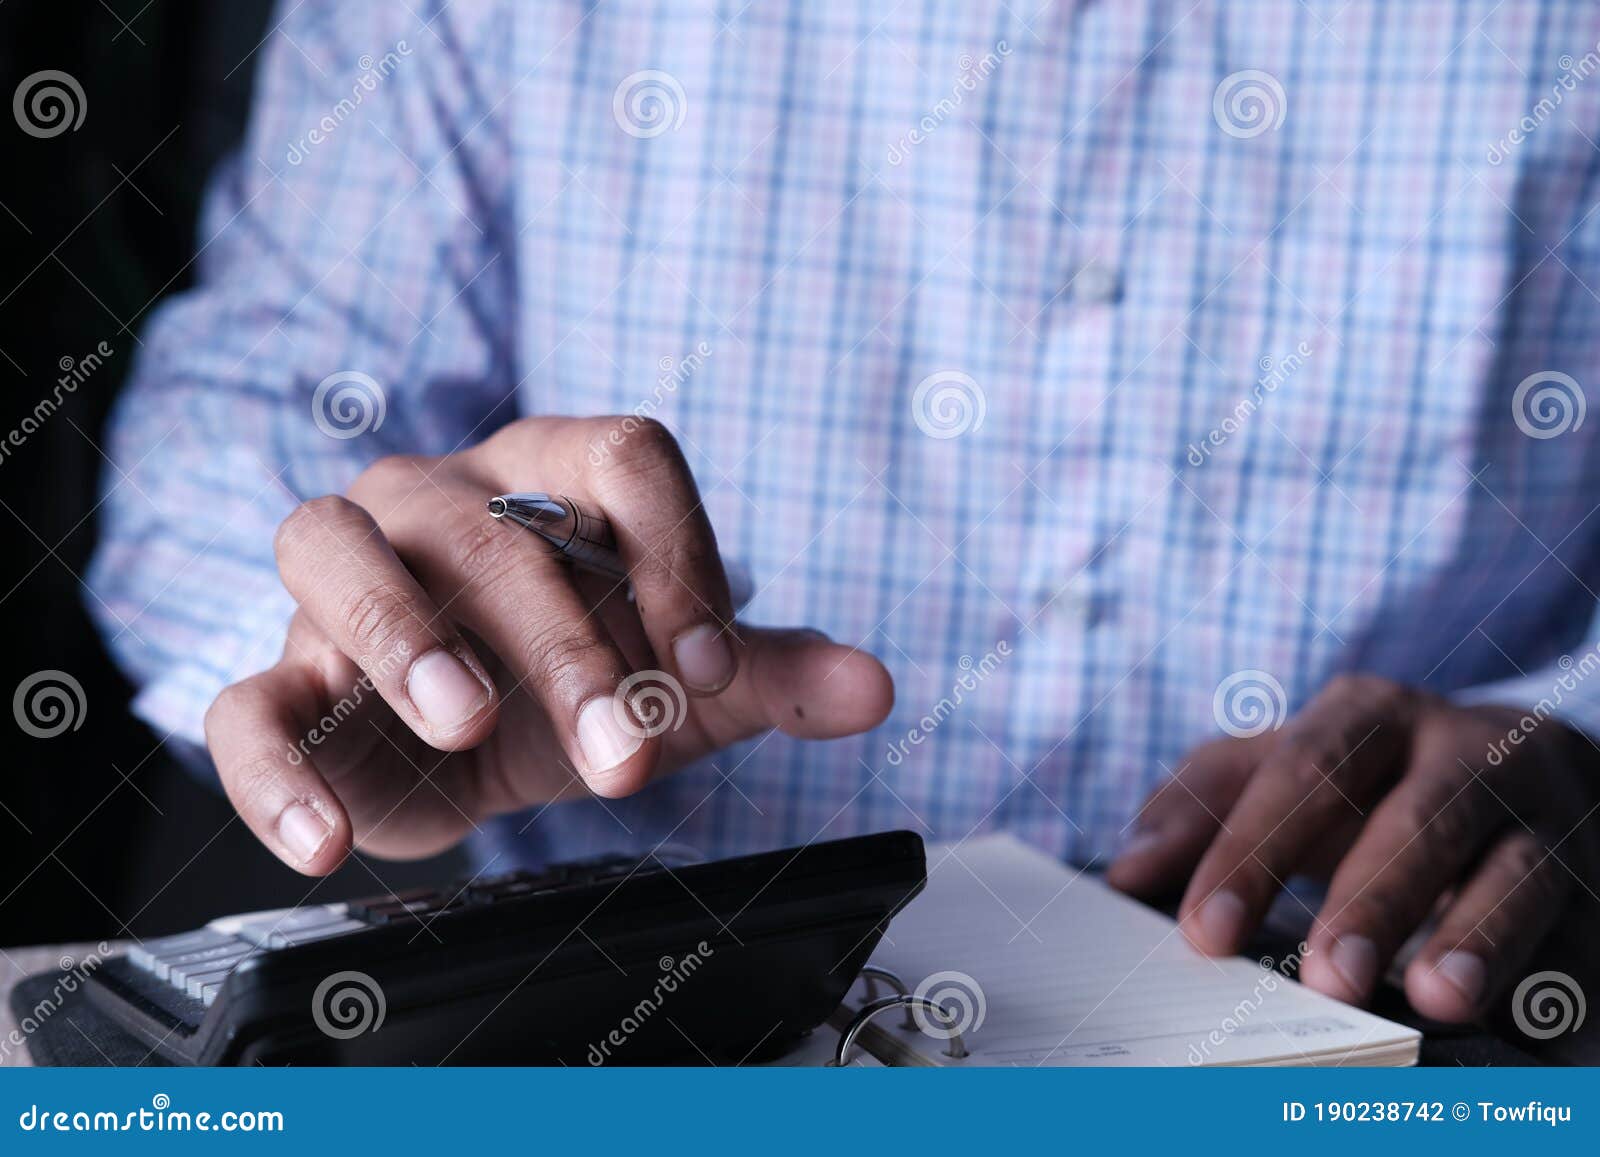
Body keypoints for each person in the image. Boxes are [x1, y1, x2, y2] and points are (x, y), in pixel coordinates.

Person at [88, 1, 1600, 1028]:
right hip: (657, 1045)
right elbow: (238, 417)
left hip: (1412, 1041)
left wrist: (1568, 734)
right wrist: (377, 642)